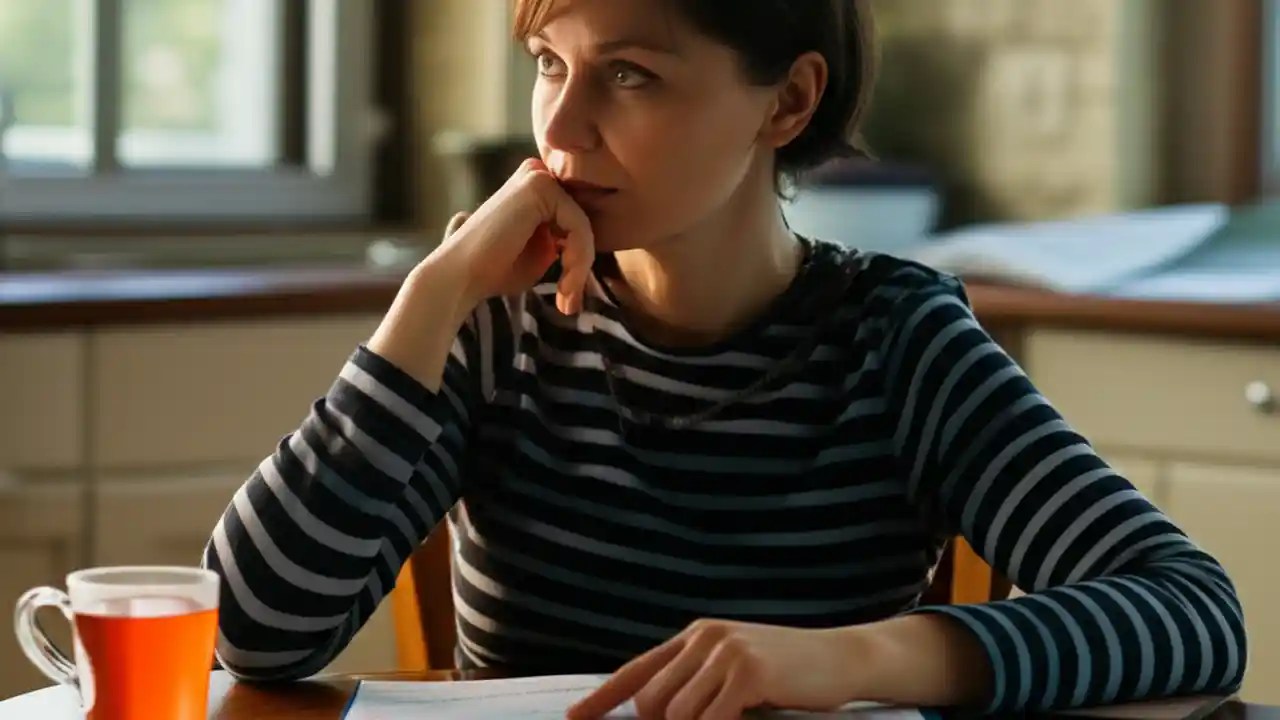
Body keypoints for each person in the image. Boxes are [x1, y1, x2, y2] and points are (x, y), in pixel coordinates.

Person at [202, 0, 1247, 717]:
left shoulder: (894, 342)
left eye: (629, 74)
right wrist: (427, 297)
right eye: (547, 65)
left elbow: (1189, 609)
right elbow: (248, 634)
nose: (560, 128)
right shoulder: (491, 325)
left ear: (785, 103)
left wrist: (845, 660)